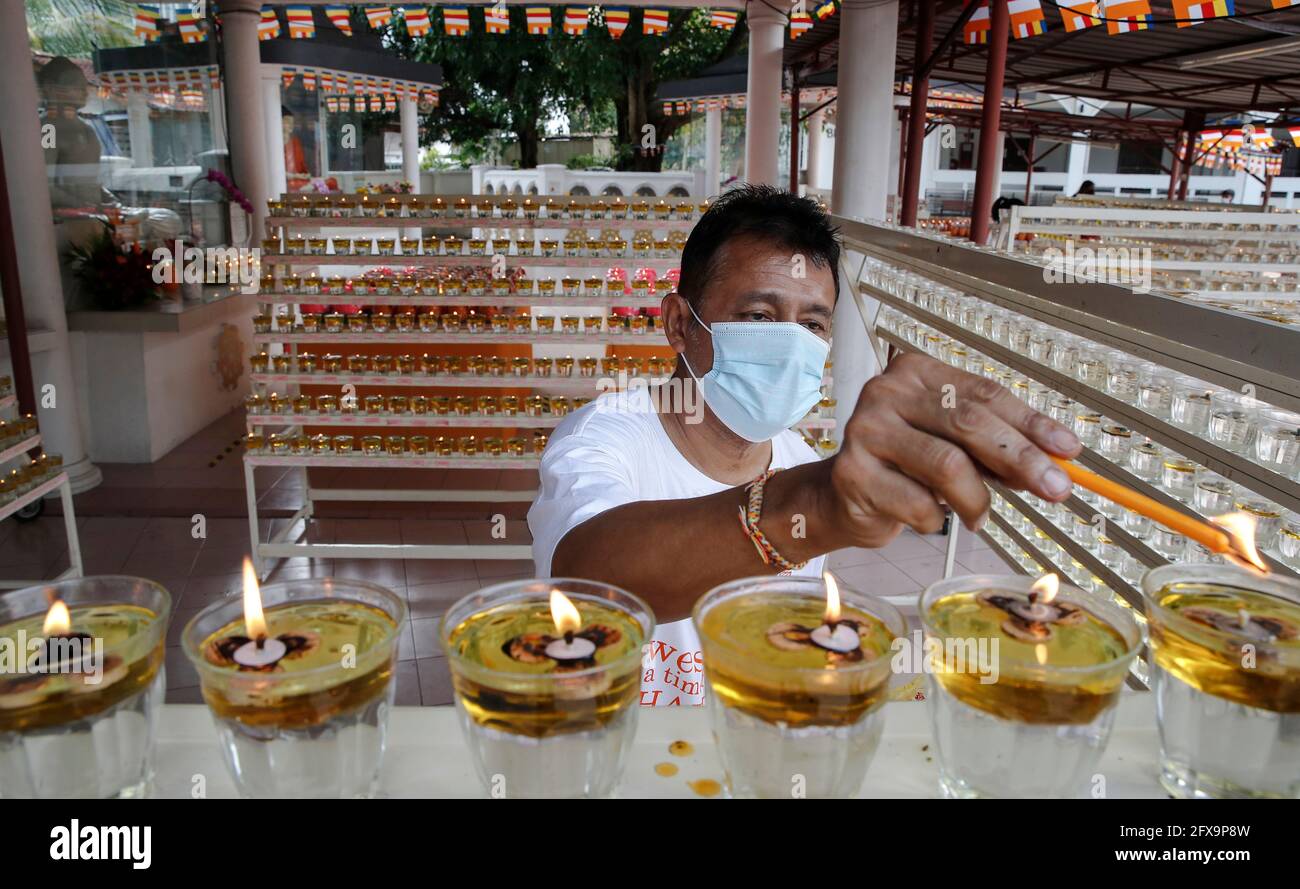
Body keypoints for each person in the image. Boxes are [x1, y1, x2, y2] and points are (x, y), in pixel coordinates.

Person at [527, 185, 1082, 707]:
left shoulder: (798, 462)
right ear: (678, 323)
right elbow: (586, 581)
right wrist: (811, 507)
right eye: (757, 317)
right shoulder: (603, 439)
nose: (789, 345)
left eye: (812, 325)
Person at [282, 107, 310, 191]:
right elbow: (275, 173)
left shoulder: (295, 143)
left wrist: (306, 175)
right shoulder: (274, 145)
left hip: (299, 181)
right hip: (287, 183)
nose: (291, 125)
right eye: (287, 122)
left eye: (292, 123)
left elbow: (302, 168)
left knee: (331, 181)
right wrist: (294, 176)